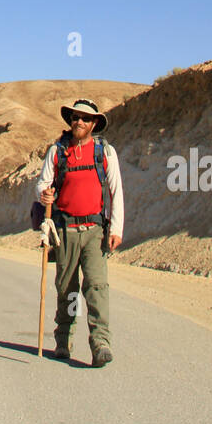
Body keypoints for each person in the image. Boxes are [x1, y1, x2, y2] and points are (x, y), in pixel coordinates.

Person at [35, 98, 124, 367]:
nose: (79, 122)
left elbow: (115, 191)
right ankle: (63, 340)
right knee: (67, 288)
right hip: (65, 230)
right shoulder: (57, 151)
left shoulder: (105, 153)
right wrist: (44, 195)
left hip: (95, 230)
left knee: (97, 287)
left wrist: (117, 228)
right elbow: (42, 185)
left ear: (94, 123)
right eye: (75, 117)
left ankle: (100, 343)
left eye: (85, 118)